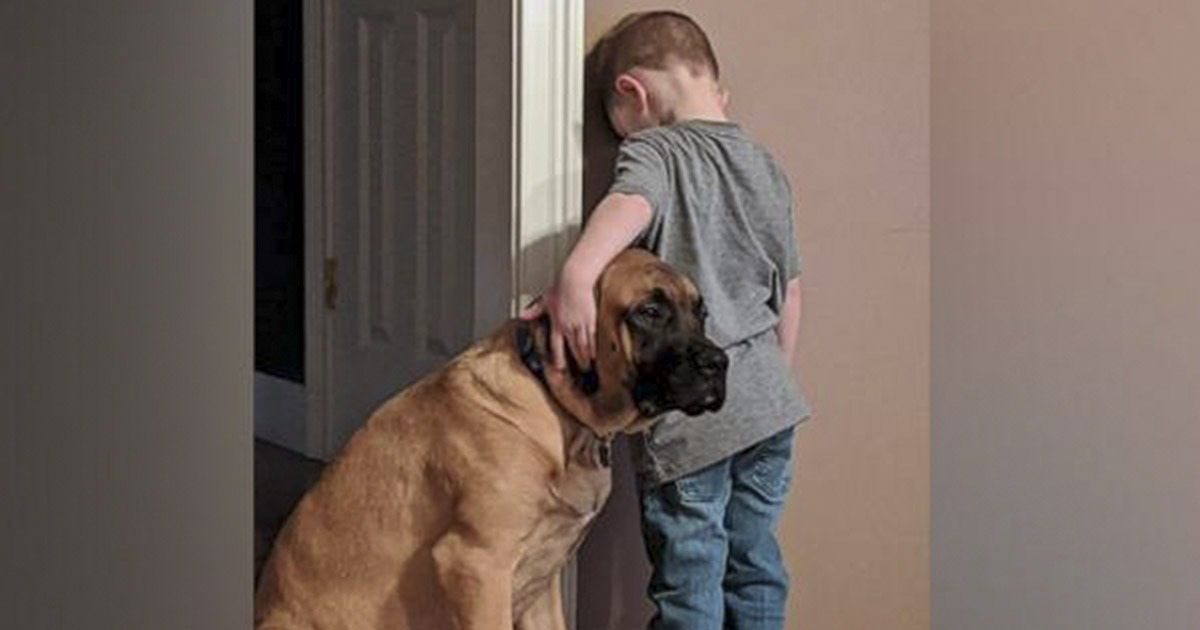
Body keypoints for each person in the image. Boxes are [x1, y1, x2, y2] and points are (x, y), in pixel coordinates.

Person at [522, 10, 810, 630]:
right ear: (718, 91)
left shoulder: (657, 150)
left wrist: (575, 277)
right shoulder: (766, 165)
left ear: (634, 94)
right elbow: (788, 293)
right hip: (772, 407)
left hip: (694, 425)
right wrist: (768, 379)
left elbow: (630, 204)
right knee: (755, 563)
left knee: (690, 579)